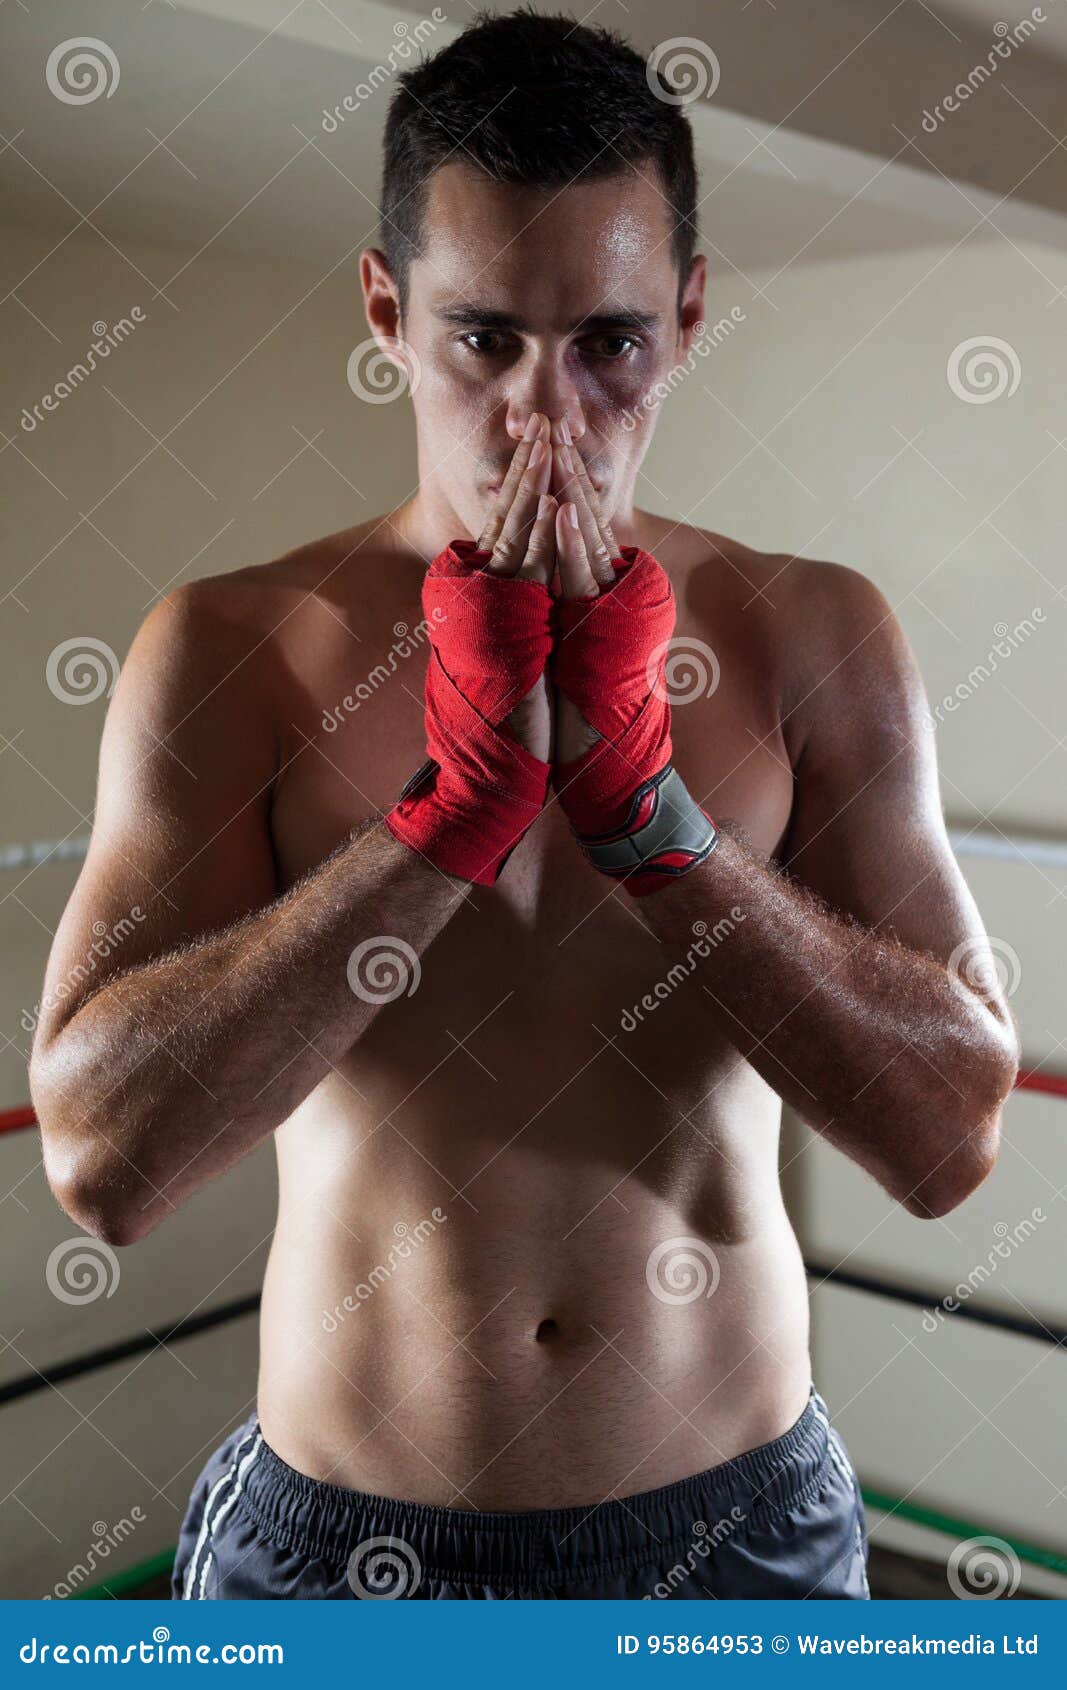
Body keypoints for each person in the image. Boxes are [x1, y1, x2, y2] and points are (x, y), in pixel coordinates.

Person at [29, 9, 1019, 1600]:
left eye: (609, 345)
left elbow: (951, 1135)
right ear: (385, 311)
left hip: (734, 1533)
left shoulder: (809, 633)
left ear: (688, 318)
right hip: (351, 1546)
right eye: (484, 338)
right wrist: (442, 822)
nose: (545, 419)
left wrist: (654, 822)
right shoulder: (238, 647)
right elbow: (100, 1158)